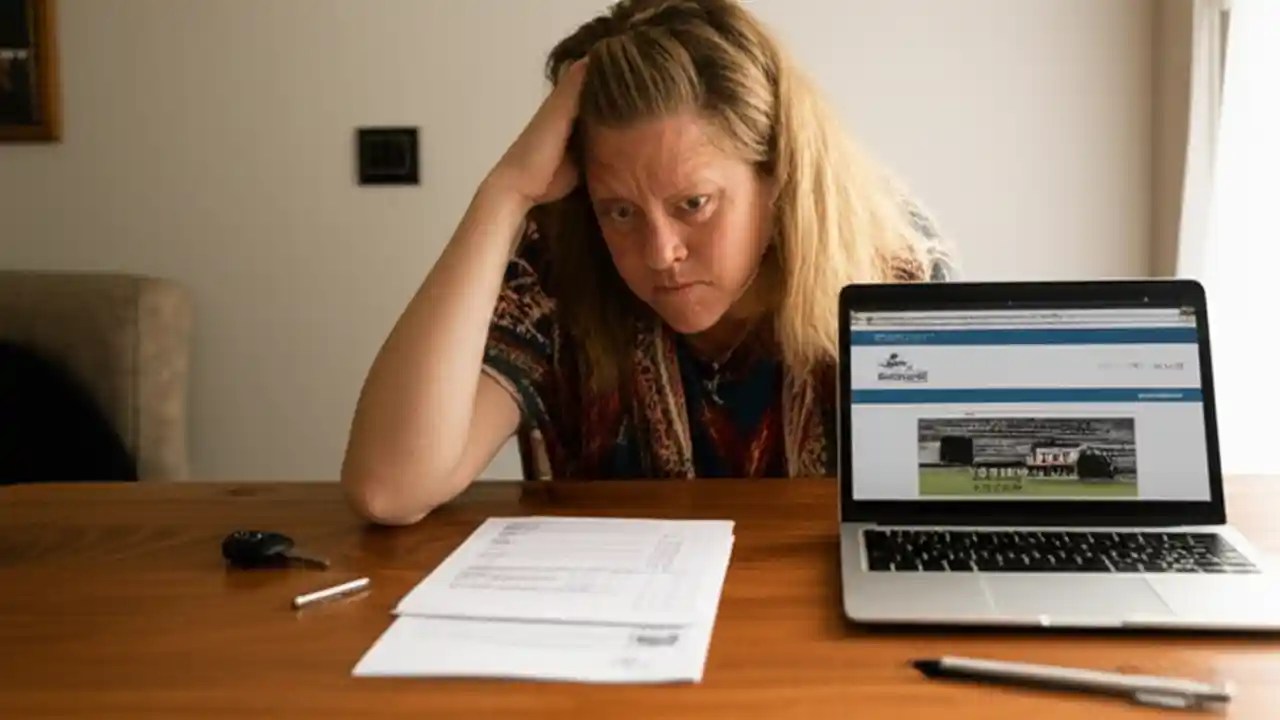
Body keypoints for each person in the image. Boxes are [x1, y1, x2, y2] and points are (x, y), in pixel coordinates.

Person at [341, 0, 955, 525]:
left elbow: (952, 506)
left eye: (694, 203)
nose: (662, 253)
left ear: (778, 173)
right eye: (621, 212)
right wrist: (505, 194)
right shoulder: (558, 268)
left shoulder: (891, 267)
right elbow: (391, 488)